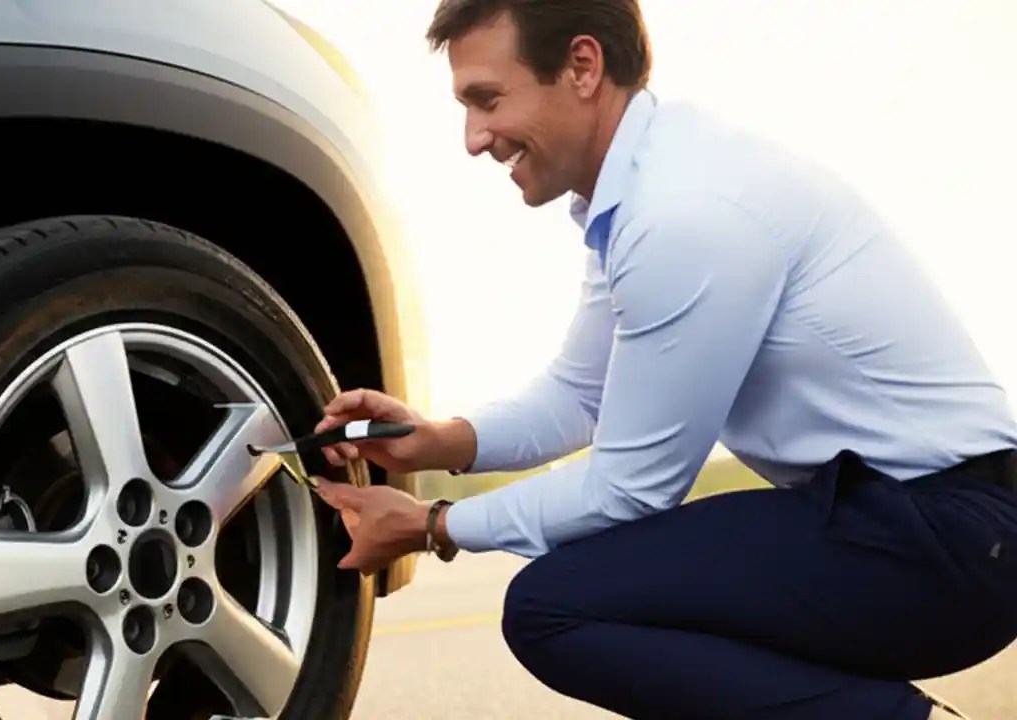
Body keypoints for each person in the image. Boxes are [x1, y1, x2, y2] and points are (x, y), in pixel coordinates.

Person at [308, 0, 1017, 718]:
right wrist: (440, 442)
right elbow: (581, 396)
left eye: (487, 100)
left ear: (583, 67)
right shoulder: (642, 188)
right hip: (910, 526)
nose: (473, 138)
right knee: (596, 594)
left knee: (556, 608)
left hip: (954, 541)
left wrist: (432, 526)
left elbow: (631, 487)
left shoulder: (683, 212)